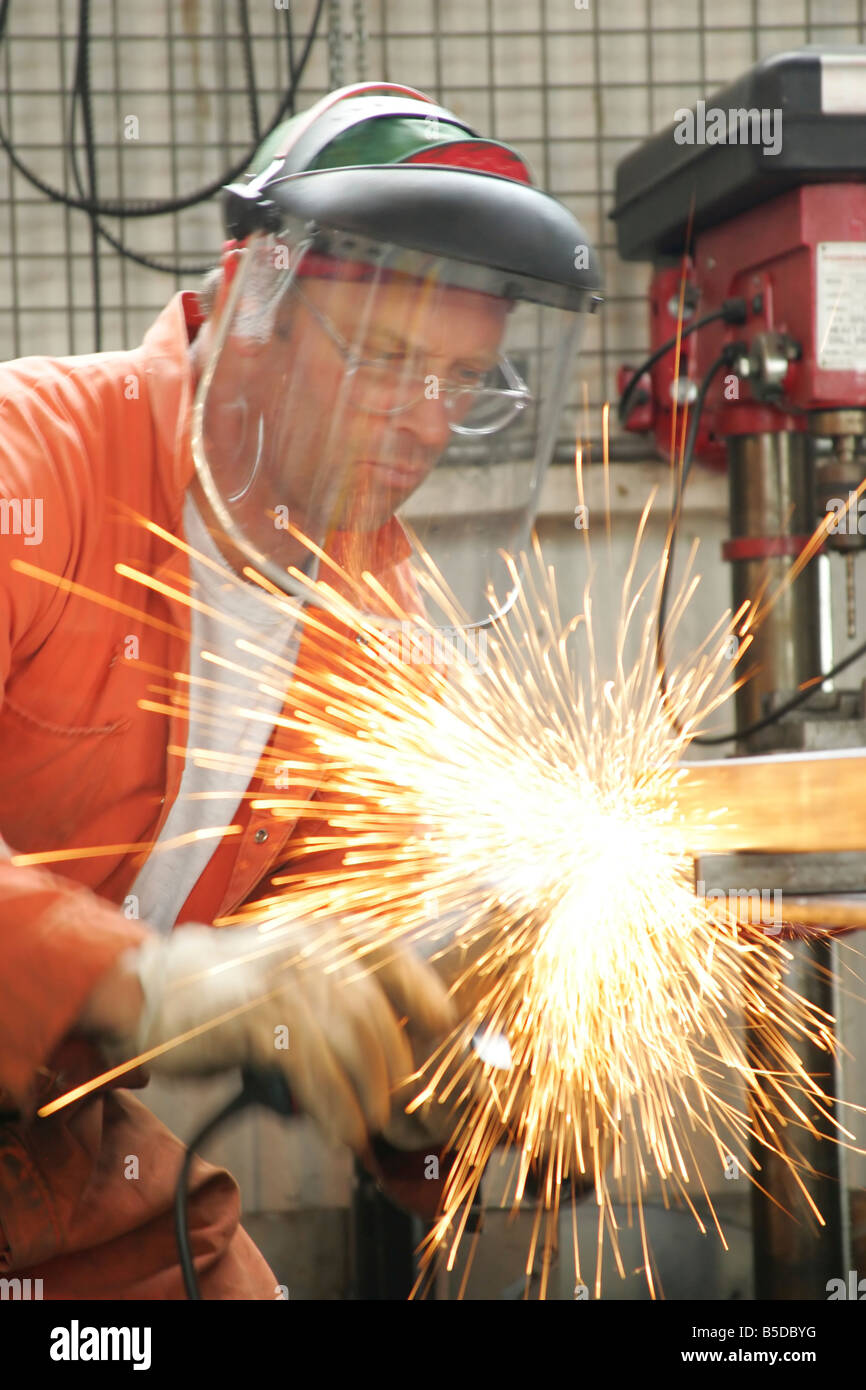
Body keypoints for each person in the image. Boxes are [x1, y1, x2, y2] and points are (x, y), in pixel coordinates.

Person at [0, 82, 601, 1299]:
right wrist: (144, 982)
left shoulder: (369, 629)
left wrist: (457, 1092)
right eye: (385, 359)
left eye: (463, 381)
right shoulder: (37, 463)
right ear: (249, 295)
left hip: (57, 1154)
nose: (425, 422)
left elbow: (360, 966)